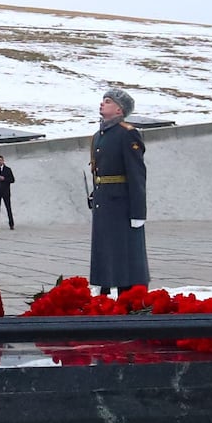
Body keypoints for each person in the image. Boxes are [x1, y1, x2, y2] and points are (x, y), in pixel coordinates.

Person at [88, 89, 149, 296]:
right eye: (102, 101)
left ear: (119, 109)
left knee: (125, 254)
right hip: (104, 201)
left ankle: (127, 295)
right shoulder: (99, 135)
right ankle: (103, 290)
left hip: (121, 203)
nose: (102, 104)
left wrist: (138, 213)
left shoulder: (127, 133)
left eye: (107, 101)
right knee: (104, 252)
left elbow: (136, 174)